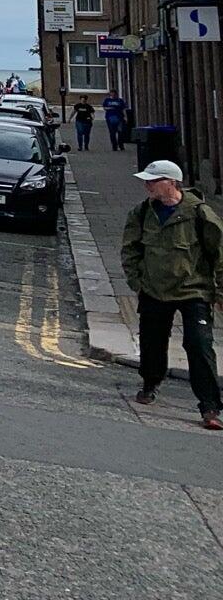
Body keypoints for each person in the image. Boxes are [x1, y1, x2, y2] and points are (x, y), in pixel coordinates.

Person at [121, 160, 222, 430]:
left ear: (172, 183)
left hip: (194, 290)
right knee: (152, 341)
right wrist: (137, 282)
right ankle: (150, 382)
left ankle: (210, 407)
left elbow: (219, 255)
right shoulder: (142, 213)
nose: (147, 185)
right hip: (154, 289)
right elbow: (130, 249)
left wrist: (220, 292)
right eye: (146, 181)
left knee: (199, 345)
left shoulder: (200, 214)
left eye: (153, 181)